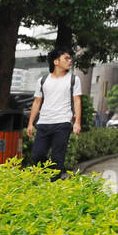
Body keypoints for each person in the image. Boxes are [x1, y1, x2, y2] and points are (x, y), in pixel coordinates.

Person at [26, 48, 82, 179]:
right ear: (56, 61)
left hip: (63, 123)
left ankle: (53, 185)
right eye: (66, 58)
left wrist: (77, 122)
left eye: (70, 58)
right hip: (44, 123)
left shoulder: (74, 80)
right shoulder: (42, 80)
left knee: (57, 157)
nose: (70, 61)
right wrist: (30, 123)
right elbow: (36, 102)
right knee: (37, 155)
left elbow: (77, 101)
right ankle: (55, 174)